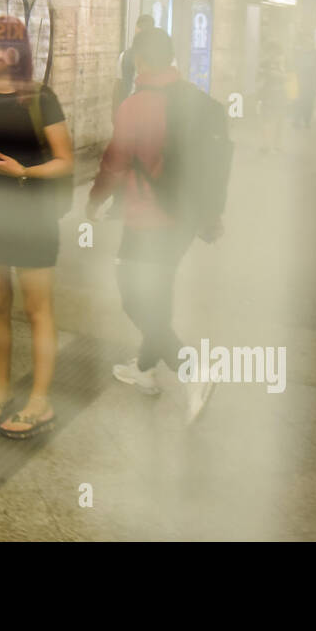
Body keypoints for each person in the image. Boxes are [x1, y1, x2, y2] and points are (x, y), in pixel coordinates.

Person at [87, 28, 221, 424]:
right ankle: (145, 370)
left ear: (141, 62)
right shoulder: (195, 99)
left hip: (148, 220)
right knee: (159, 292)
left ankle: (192, 369)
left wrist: (94, 201)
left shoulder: (135, 105)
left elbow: (115, 161)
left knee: (133, 297)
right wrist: (211, 216)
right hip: (185, 220)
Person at [0, 16, 74, 440]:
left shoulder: (39, 97)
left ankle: (40, 401)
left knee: (36, 307)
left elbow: (65, 160)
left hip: (33, 213)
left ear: (17, 51)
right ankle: (3, 390)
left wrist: (24, 171)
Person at [112, 13, 156, 120]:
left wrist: (115, 113)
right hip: (135, 111)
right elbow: (118, 86)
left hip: (143, 111)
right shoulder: (125, 56)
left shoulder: (125, 56)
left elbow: (118, 87)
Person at [257, 39, 286, 152]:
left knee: (279, 119)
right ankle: (267, 144)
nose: (274, 55)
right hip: (268, 95)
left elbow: (288, 78)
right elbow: (259, 79)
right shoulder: (264, 63)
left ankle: (275, 144)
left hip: (278, 94)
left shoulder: (282, 63)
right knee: (267, 119)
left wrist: (277, 74)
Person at [291, 36, 316, 129]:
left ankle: (307, 120)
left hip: (312, 82)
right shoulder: (298, 53)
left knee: (309, 102)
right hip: (299, 81)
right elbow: (293, 66)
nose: (308, 44)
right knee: (298, 100)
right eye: (306, 42)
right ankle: (296, 119)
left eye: (310, 42)